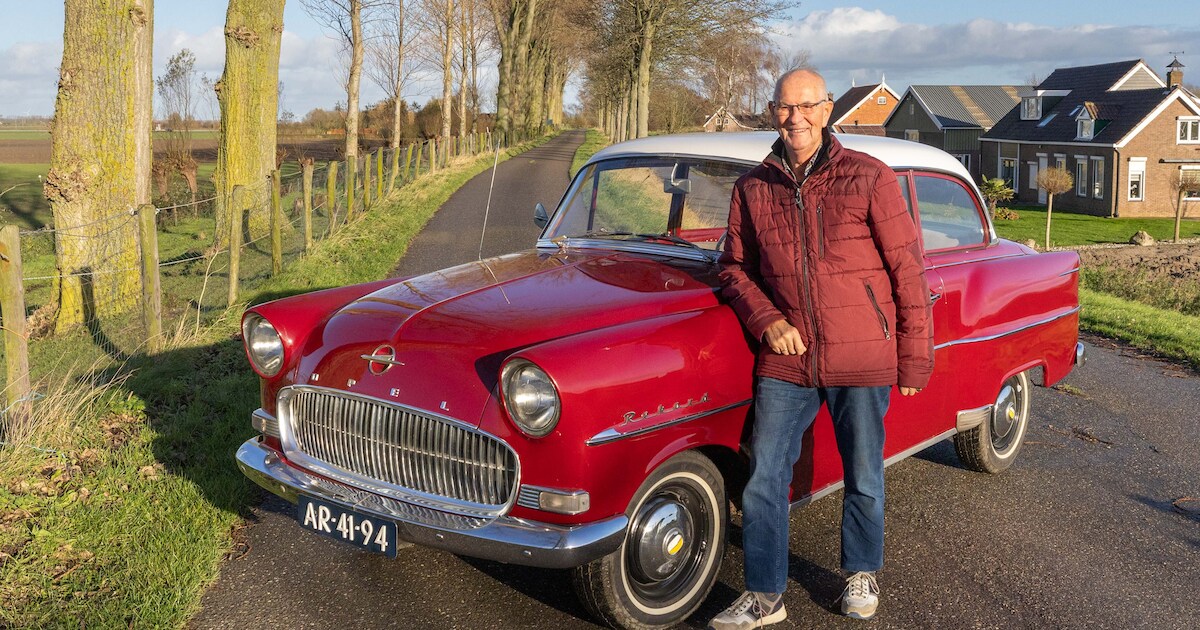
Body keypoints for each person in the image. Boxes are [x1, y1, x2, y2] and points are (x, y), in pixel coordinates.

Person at [709, 68, 933, 628]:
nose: (796, 118)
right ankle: (765, 595)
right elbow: (733, 269)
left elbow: (909, 270)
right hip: (788, 358)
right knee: (762, 477)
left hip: (862, 352)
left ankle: (861, 572)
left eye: (806, 106)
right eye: (785, 108)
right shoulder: (753, 187)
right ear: (772, 112)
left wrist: (913, 356)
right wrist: (766, 321)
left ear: (828, 109)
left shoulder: (869, 176)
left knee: (863, 472)